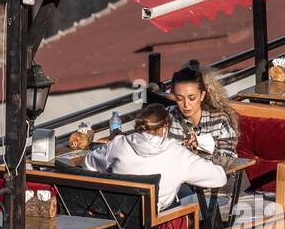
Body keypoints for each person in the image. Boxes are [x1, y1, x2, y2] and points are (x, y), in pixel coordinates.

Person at [84, 104, 226, 210]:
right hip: (159, 220)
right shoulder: (178, 154)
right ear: (164, 129)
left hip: (118, 214)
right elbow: (219, 178)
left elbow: (88, 163)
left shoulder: (118, 144)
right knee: (185, 193)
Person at [165, 62, 239, 171]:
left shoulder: (219, 120)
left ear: (202, 96)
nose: (186, 104)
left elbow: (229, 159)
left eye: (192, 98)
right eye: (180, 99)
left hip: (211, 184)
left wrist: (203, 149)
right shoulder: (167, 117)